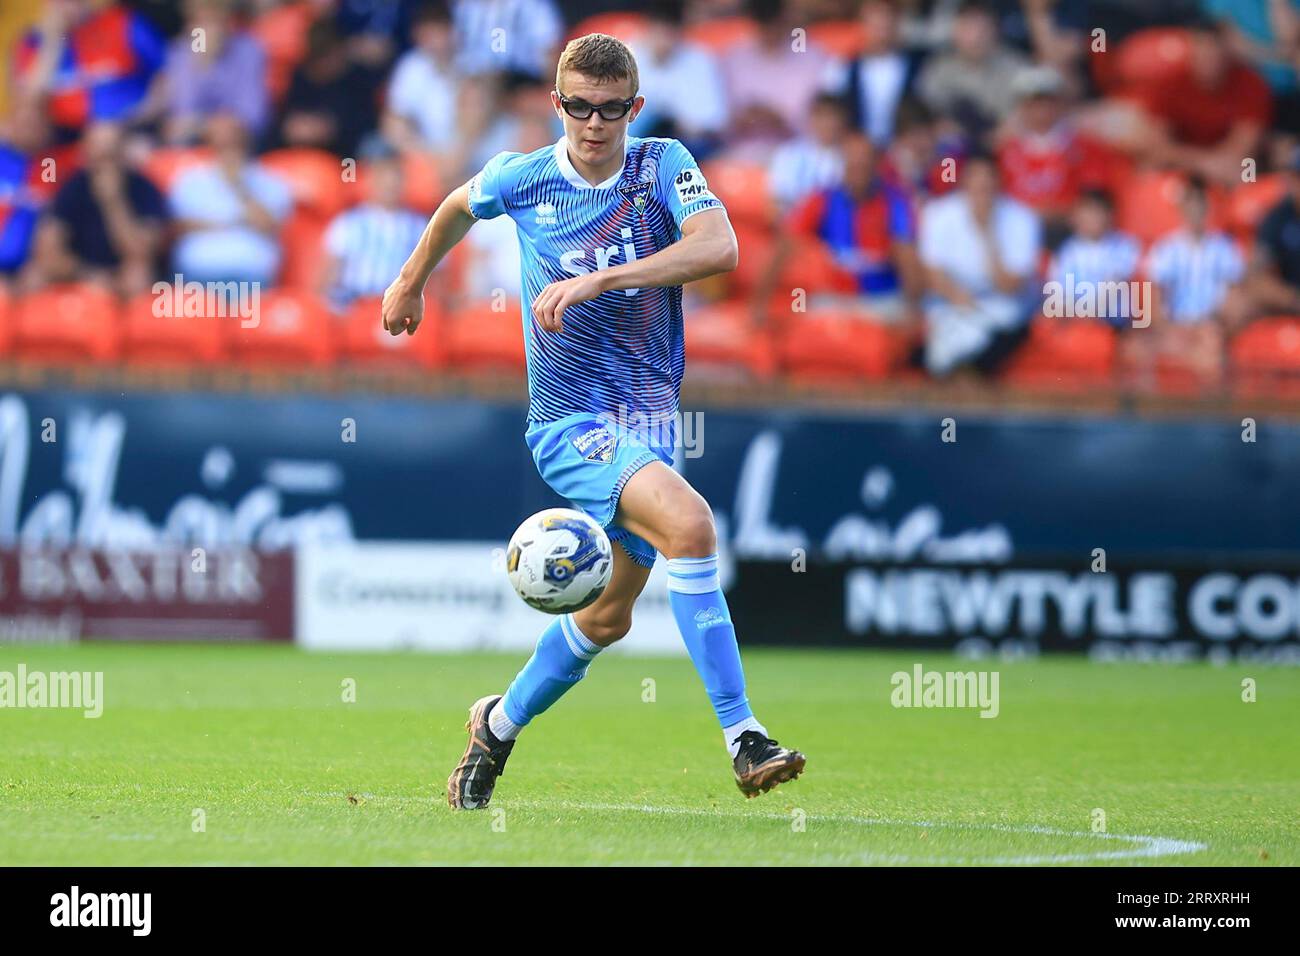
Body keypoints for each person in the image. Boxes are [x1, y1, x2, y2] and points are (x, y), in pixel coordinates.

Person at [381, 32, 806, 810]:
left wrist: (604, 279)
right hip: (570, 422)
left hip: (649, 422)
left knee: (605, 619)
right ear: (558, 104)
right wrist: (410, 282)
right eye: (579, 106)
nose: (594, 122)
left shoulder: (662, 166)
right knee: (693, 527)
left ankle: (495, 727)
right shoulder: (525, 176)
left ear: (633, 109)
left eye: (611, 109)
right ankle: (744, 737)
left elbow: (720, 247)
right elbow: (454, 205)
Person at [917, 150, 1041, 375]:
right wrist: (958, 298)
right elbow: (932, 274)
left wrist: (987, 232)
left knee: (989, 343)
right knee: (943, 344)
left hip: (1002, 310)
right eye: (976, 178)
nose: (982, 187)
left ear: (999, 181)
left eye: (988, 179)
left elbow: (1010, 286)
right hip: (953, 305)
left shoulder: (1022, 218)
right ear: (964, 181)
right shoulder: (938, 213)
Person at [24, 121, 168, 297]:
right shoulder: (72, 186)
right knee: (34, 277)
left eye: (110, 156)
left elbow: (141, 253)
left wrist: (113, 202)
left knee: (138, 277)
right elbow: (48, 247)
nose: (104, 166)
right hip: (82, 269)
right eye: (99, 157)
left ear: (123, 155)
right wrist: (87, 274)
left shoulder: (144, 187)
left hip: (123, 270)